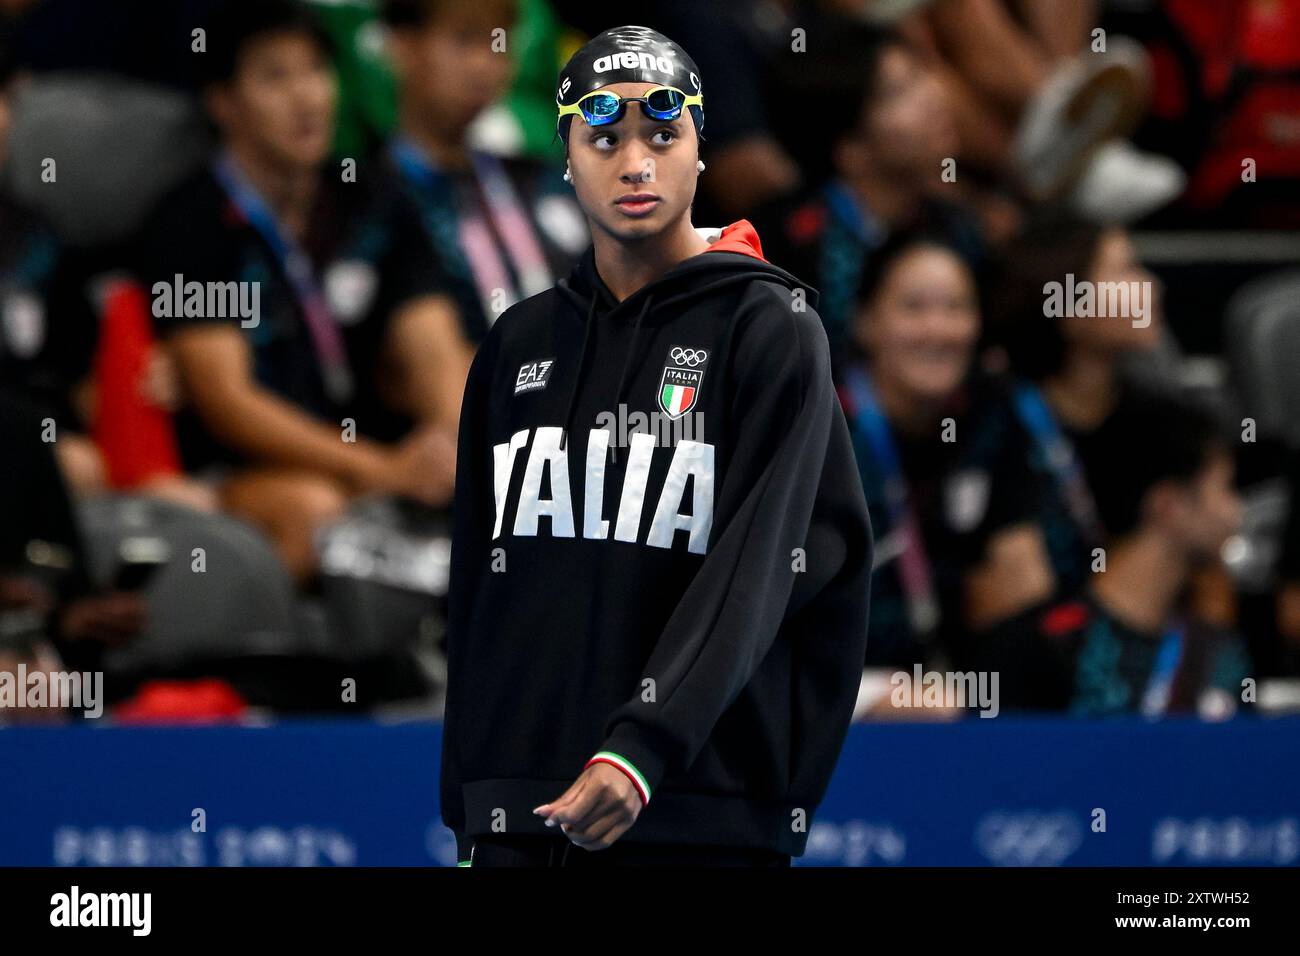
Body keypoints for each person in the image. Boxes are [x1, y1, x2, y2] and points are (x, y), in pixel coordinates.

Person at [441, 25, 872, 867]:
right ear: (565, 157)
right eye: (604, 138)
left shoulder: (772, 330)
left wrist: (645, 745)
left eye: (662, 135)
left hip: (696, 815)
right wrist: (471, 802)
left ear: (700, 151)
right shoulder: (517, 344)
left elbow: (757, 569)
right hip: (519, 822)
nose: (634, 162)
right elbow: (478, 590)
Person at [134, 0, 473, 582]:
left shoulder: (369, 198)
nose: (306, 97)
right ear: (223, 103)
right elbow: (228, 403)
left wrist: (451, 443)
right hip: (242, 471)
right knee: (315, 506)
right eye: (275, 76)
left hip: (383, 450)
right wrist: (382, 469)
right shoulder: (190, 224)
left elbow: (432, 342)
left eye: (316, 70)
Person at [835, 230, 1050, 688]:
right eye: (914, 308)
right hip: (833, 693)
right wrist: (871, 694)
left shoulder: (995, 415)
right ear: (865, 322)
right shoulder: (819, 425)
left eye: (956, 308)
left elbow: (1020, 580)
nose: (938, 330)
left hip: (947, 691)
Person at [978, 388, 1251, 717]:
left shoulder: (1221, 654)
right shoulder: (1041, 647)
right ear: (1169, 504)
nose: (1234, 512)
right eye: (1226, 488)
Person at [382, 0, 588, 343]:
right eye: (464, 40)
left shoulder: (544, 179)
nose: (484, 65)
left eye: (498, 43)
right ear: (403, 46)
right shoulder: (373, 200)